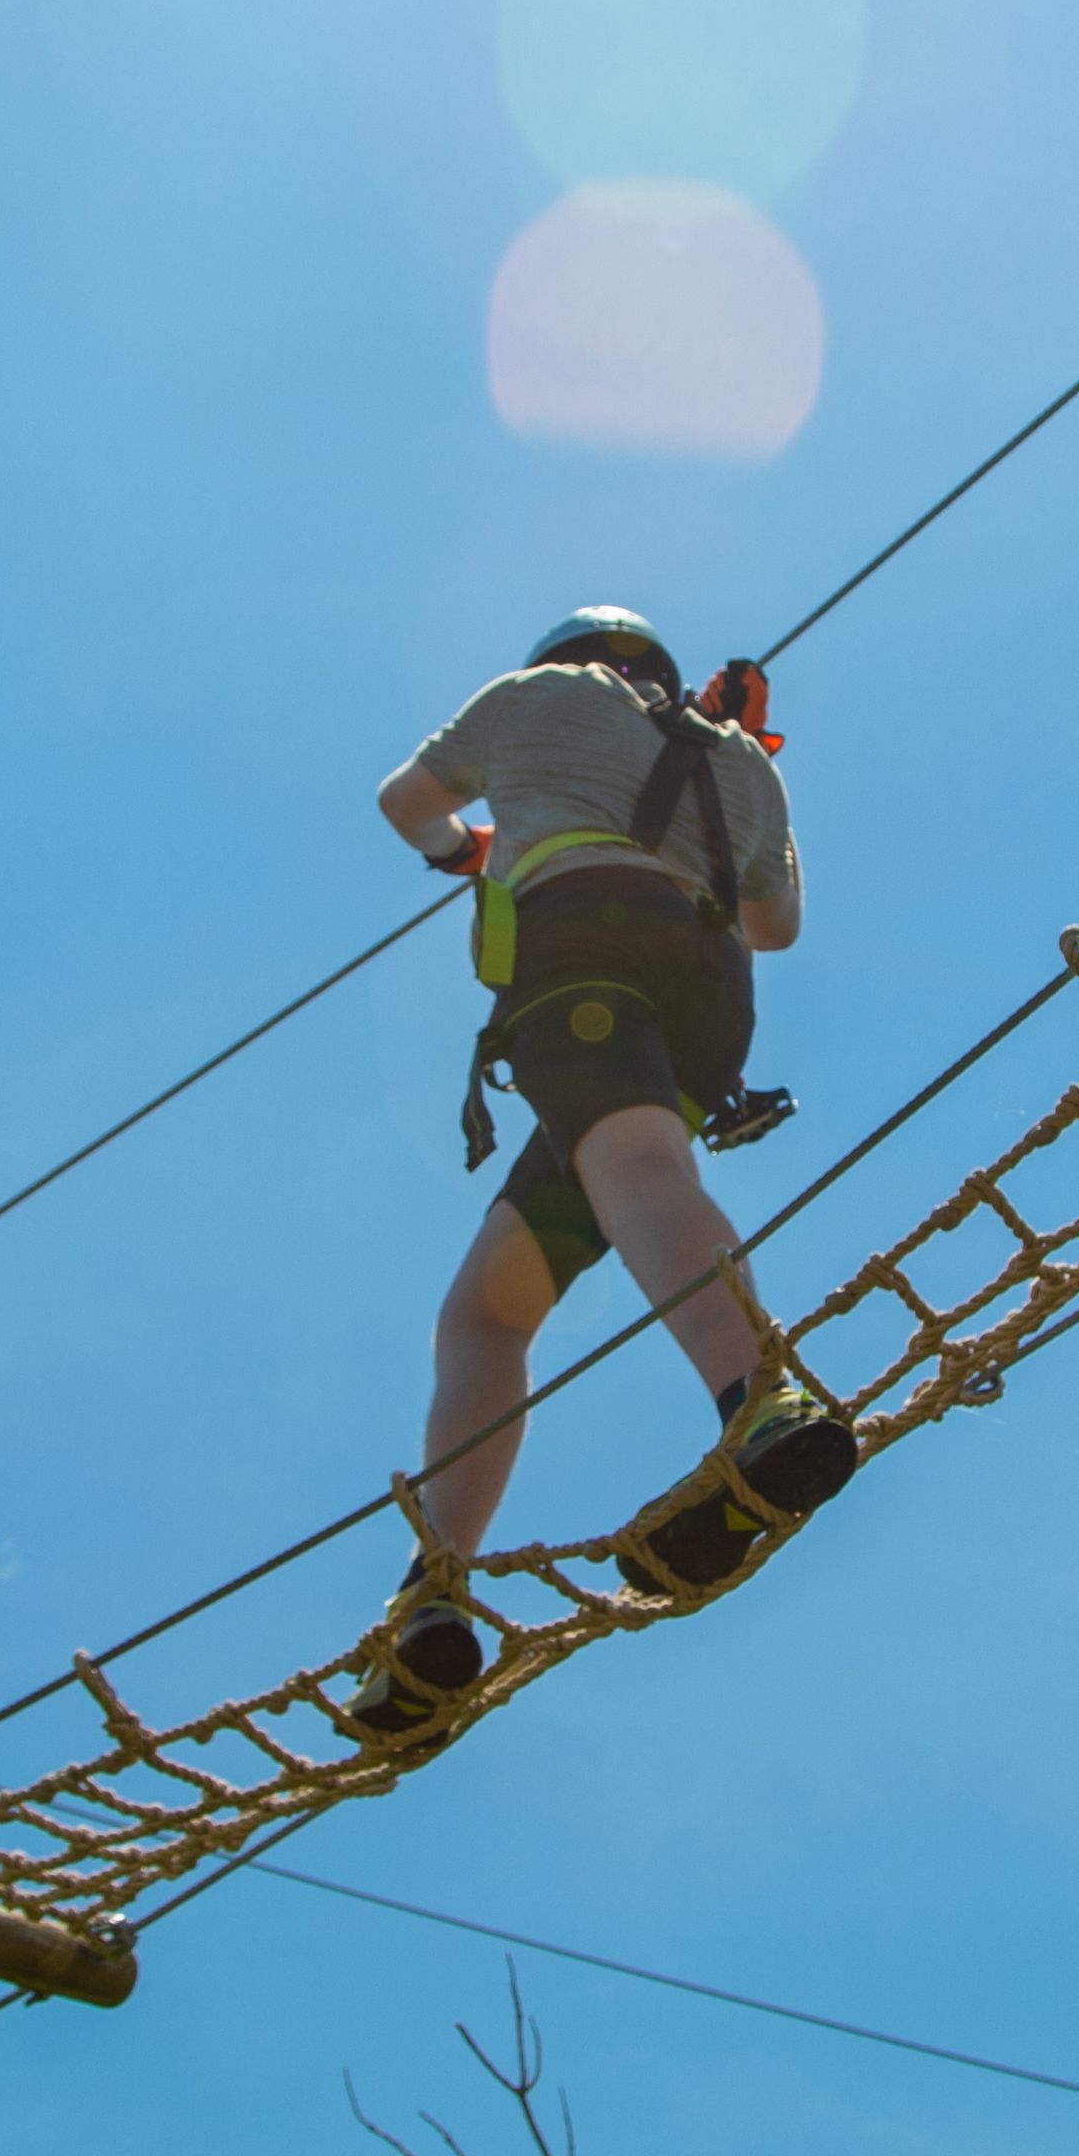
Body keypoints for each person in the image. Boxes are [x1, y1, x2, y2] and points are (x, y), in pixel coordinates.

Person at [351, 604, 861, 1737]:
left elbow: (405, 806)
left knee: (628, 1162)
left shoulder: (531, 696)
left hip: (577, 948)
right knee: (486, 1309)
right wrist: (722, 782)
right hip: (704, 1007)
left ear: (565, 658)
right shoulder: (737, 760)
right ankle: (428, 1591)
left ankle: (761, 1402)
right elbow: (772, 923)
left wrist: (467, 853)